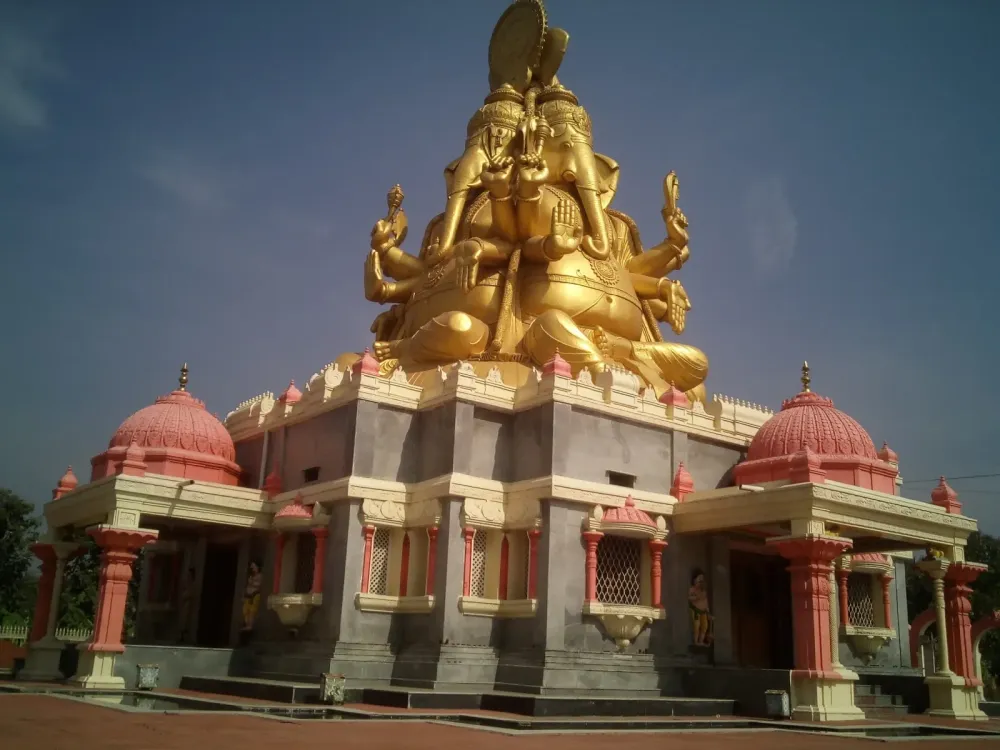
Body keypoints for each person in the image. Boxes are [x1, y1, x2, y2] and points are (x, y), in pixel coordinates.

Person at [688, 569, 713, 647]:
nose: (700, 581)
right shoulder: (692, 589)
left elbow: (706, 602)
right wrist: (696, 597)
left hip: (703, 611)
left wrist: (708, 612)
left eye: (702, 579)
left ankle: (701, 641)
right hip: (695, 610)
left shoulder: (703, 591)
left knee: (705, 626)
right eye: (699, 579)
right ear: (694, 580)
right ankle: (696, 641)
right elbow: (689, 598)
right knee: (697, 626)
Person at [242, 562, 262, 631]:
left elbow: (259, 586)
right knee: (245, 610)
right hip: (248, 595)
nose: (253, 569)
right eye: (251, 567)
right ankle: (247, 624)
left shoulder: (260, 576)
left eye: (254, 567)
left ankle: (250, 625)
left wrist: (253, 584)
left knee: (252, 611)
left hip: (255, 595)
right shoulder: (250, 576)